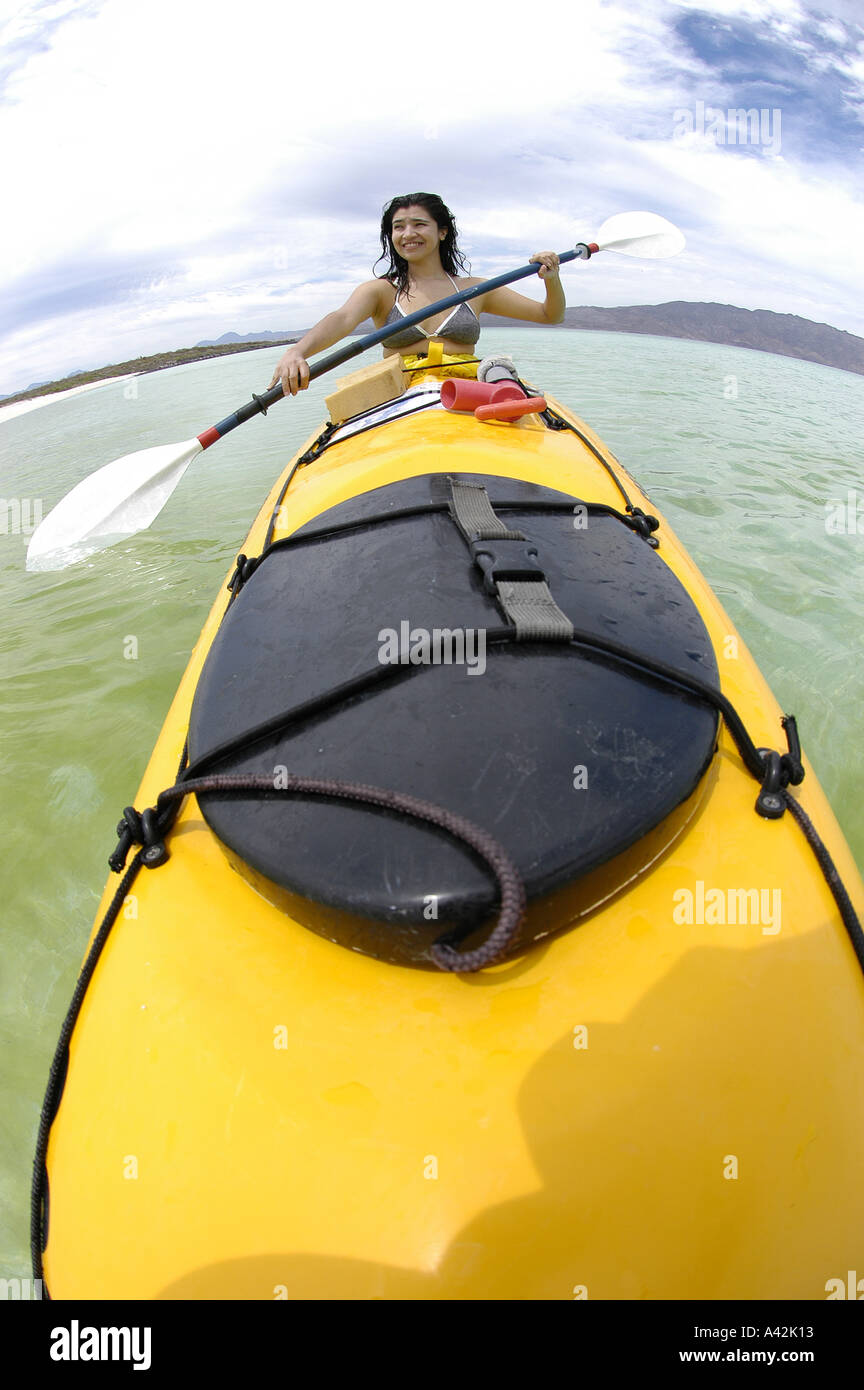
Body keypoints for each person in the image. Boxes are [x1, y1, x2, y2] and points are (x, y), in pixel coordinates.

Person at [268, 192, 565, 396]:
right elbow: (342, 318)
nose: (408, 233)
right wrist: (297, 351)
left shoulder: (475, 289)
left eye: (419, 224)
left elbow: (549, 315)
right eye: (398, 227)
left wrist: (551, 279)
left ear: (442, 232)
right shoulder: (381, 291)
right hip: (399, 391)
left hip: (463, 388)